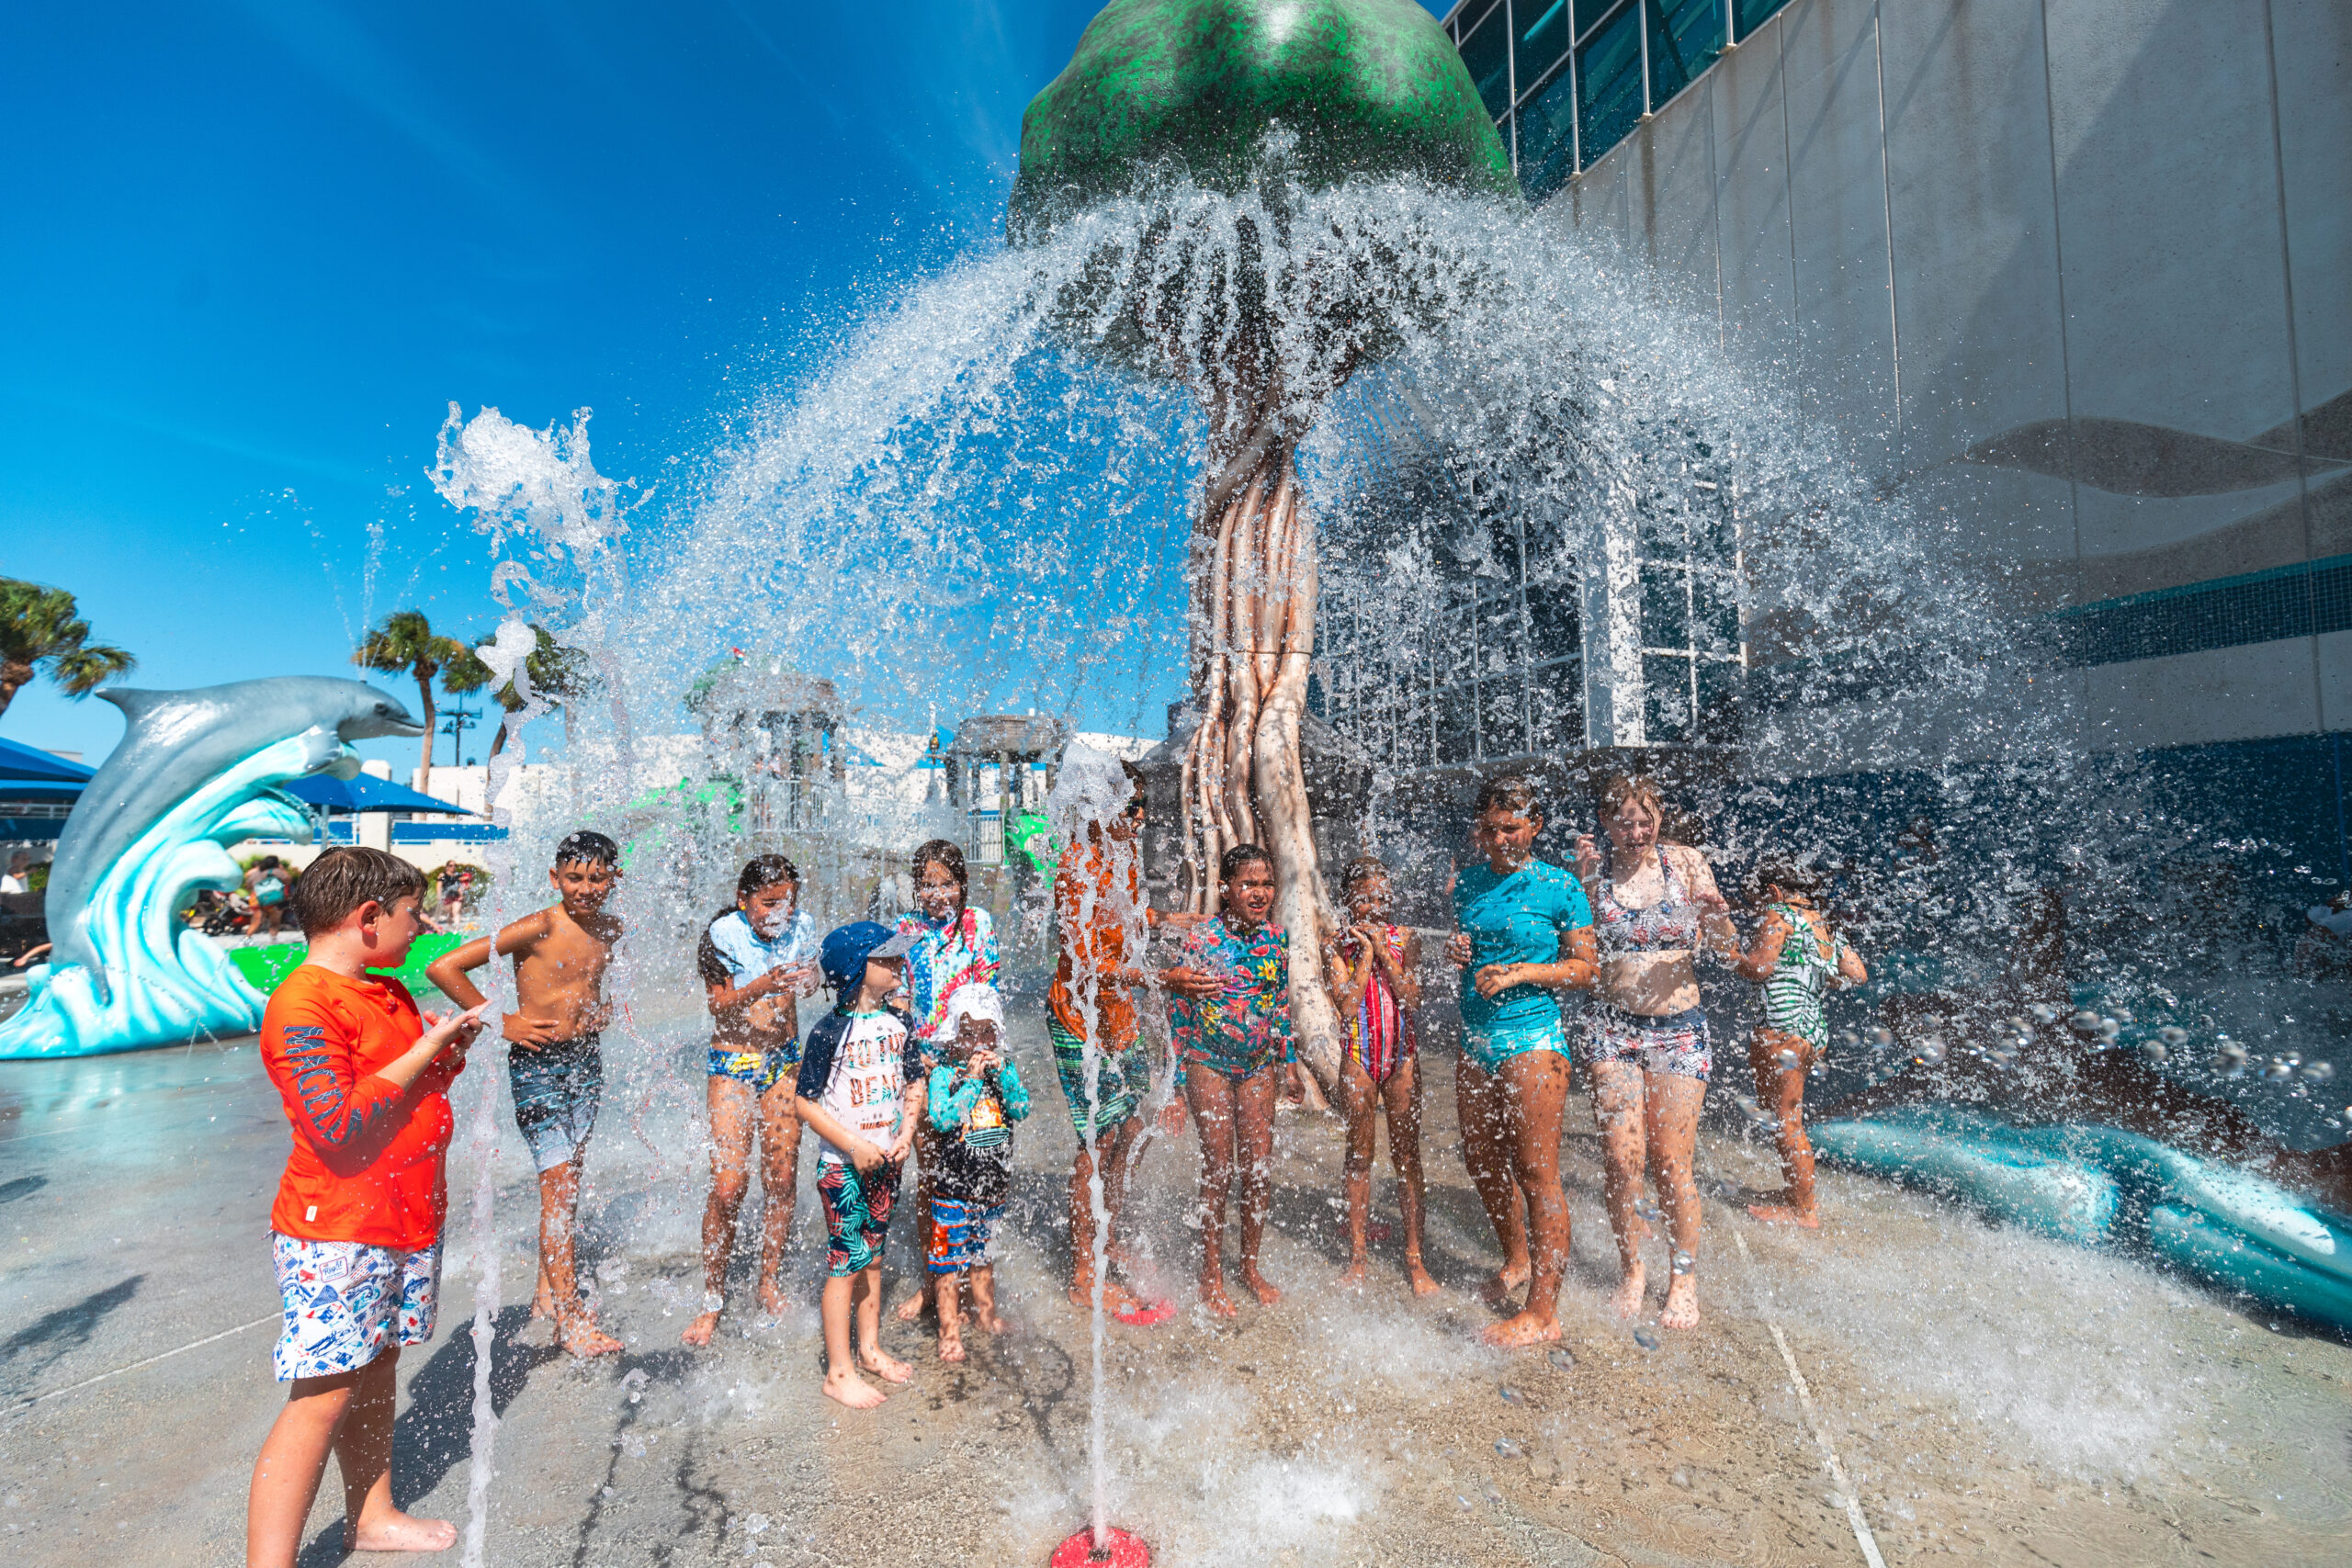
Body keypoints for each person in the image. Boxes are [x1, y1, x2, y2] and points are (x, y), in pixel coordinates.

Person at [245, 847, 485, 1568]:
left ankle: (372, 1515)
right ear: (368, 916)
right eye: (416, 915)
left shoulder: (387, 992)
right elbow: (338, 1125)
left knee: (377, 1366)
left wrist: (446, 1050)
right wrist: (427, 1049)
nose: (426, 928)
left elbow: (407, 1089)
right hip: (339, 1229)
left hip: (403, 1216)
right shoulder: (303, 1003)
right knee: (321, 1394)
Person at [425, 829, 626, 1357]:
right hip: (538, 1066)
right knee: (558, 1186)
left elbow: (586, 985)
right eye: (574, 878)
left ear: (614, 878)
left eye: (597, 877)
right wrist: (503, 1020)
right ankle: (570, 1322)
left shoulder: (611, 928)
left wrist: (598, 1013)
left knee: (567, 1181)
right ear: (555, 877)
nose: (585, 888)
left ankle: (545, 1292)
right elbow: (444, 966)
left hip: (586, 1061)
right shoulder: (540, 924)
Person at [1574, 774, 1737, 1331]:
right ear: (1607, 821)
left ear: (1659, 819)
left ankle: (1683, 1279)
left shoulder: (1687, 863)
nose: (1635, 831)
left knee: (1671, 1164)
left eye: (1644, 820)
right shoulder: (1595, 871)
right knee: (1622, 1162)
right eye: (1624, 820)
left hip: (1677, 1029)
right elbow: (1580, 947)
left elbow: (1726, 947)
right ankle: (1632, 1271)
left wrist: (1714, 916)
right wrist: (1580, 882)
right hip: (1611, 1029)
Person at [1047, 762, 1210, 1315]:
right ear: (1101, 807)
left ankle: (1107, 1230)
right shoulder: (1076, 867)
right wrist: (1164, 979)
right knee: (1096, 1143)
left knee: (1132, 1127)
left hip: (1118, 1020)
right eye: (1130, 807)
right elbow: (1088, 964)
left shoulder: (1123, 861)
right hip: (1079, 1019)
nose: (1140, 818)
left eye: (1143, 807)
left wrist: (1173, 918)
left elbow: (1132, 917)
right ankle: (1081, 1273)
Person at [1445, 775, 1598, 1348]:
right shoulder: (1468, 885)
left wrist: (1521, 973)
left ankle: (1543, 1312)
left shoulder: (1559, 887)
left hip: (1534, 1037)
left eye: (1511, 827)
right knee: (1480, 1160)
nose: (1500, 838)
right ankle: (1517, 1257)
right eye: (1489, 828)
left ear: (1534, 826)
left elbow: (1585, 969)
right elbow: (1470, 947)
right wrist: (1457, 951)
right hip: (1475, 1038)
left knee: (1537, 1171)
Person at [682, 854, 822, 1348]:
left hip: (784, 1063)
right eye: (768, 903)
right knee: (728, 1185)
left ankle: (768, 1281)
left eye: (787, 901)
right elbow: (717, 1004)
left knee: (781, 1178)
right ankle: (712, 1299)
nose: (780, 912)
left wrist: (811, 980)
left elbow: (814, 977)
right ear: (744, 902)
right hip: (733, 1067)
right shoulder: (723, 934)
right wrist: (764, 983)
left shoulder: (801, 927)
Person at [793, 920, 925, 1408]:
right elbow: (804, 1104)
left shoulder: (900, 1024)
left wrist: (907, 1133)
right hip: (843, 1167)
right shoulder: (829, 1031)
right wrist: (852, 1145)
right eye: (885, 958)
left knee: (873, 1255)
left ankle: (869, 1349)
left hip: (888, 1159)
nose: (897, 964)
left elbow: (914, 1082)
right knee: (845, 1262)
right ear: (855, 970)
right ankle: (838, 1371)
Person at [1169, 843, 1293, 1317]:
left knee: (1258, 1168)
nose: (1259, 893)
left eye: (1265, 884)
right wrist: (1178, 1087)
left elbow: (1280, 1003)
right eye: (1248, 884)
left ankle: (1250, 1266)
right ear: (1226, 888)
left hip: (1259, 1064)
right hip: (1208, 1062)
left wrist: (1290, 1063)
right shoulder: (1202, 938)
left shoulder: (1277, 939)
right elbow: (1179, 1012)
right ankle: (1211, 1273)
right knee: (1219, 1168)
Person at [890, 839, 1001, 1325]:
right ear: (916, 888)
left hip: (969, 1067)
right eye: (927, 885)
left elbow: (987, 994)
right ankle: (934, 1284)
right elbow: (893, 996)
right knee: (932, 1181)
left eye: (947, 884)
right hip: (923, 1069)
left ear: (962, 884)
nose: (937, 894)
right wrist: (912, 1059)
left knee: (975, 1178)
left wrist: (976, 1064)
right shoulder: (904, 931)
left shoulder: (978, 924)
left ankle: (975, 1285)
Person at [1322, 855, 1436, 1295]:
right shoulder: (1335, 944)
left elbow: (1413, 999)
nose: (1374, 905)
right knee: (1359, 1154)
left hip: (1401, 1058)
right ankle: (1357, 1259)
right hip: (1359, 1058)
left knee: (1407, 1156)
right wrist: (1365, 954)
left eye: (1381, 896)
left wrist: (1386, 953)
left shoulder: (1407, 939)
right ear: (1347, 900)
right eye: (1364, 898)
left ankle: (1415, 1258)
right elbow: (1348, 1006)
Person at [1733, 861, 1868, 1229]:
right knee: (1782, 1115)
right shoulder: (1827, 927)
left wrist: (1730, 957)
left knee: (1788, 1122)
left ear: (1775, 892)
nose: (1759, 910)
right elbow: (1857, 973)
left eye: (1760, 900)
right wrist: (1815, 977)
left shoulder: (1778, 916)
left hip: (1782, 1028)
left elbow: (1759, 967)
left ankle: (1804, 1210)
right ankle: (1795, 1193)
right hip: (1810, 1031)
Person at [923, 984, 1029, 1361]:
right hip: (952, 1189)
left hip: (990, 1190)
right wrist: (970, 1083)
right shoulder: (946, 1076)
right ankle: (949, 1330)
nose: (979, 1041)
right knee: (947, 1266)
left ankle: (986, 1315)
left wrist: (1004, 1076)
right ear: (954, 1036)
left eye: (987, 1032)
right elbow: (941, 1118)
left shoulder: (1003, 1071)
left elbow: (1021, 1108)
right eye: (968, 1033)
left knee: (984, 1258)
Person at [244, 855, 295, 940]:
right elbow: (288, 880)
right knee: (275, 922)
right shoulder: (276, 871)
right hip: (273, 899)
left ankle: (246, 938)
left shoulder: (255, 873)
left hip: (257, 899)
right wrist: (282, 869)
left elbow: (248, 886)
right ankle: (273, 940)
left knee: (256, 921)